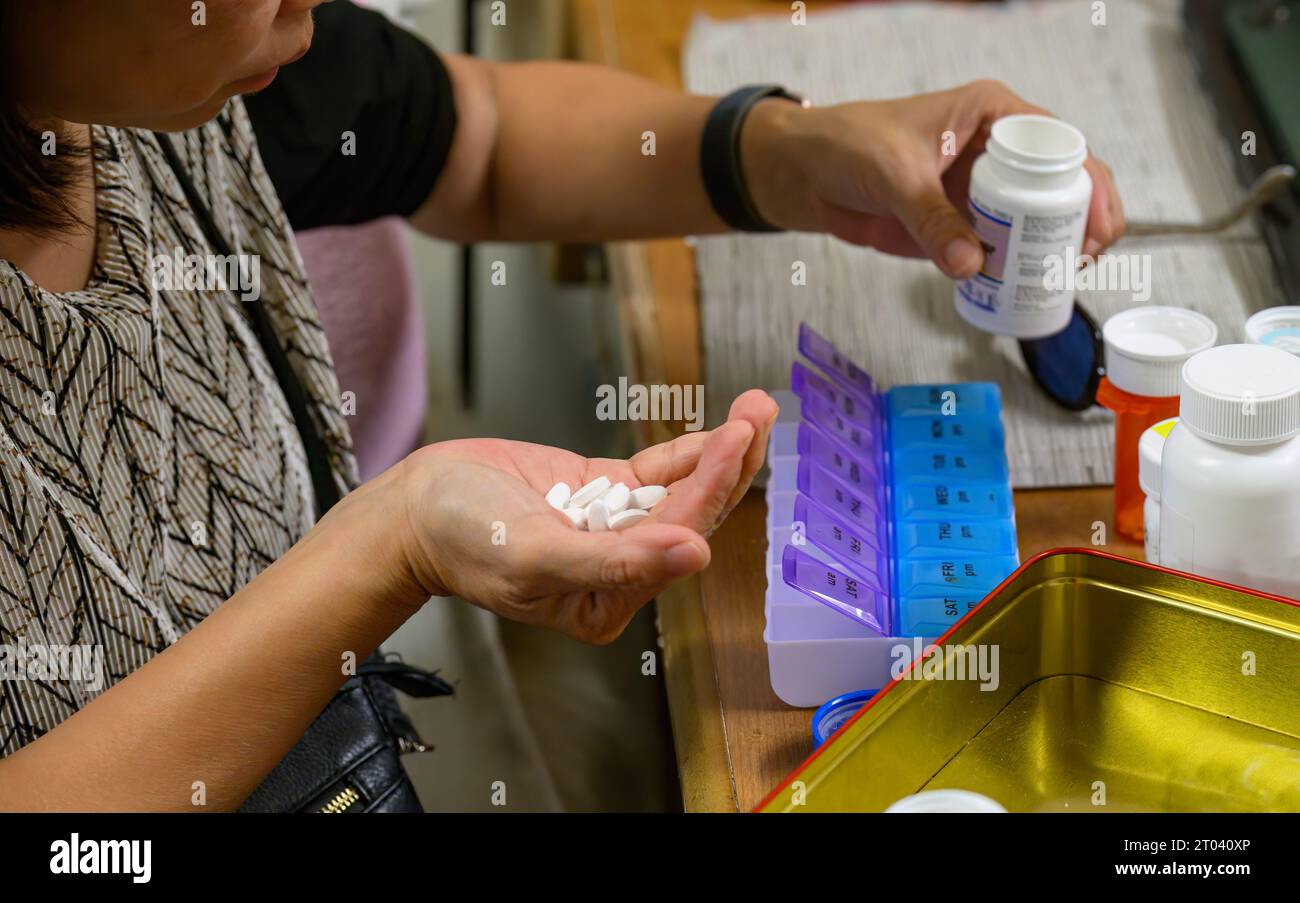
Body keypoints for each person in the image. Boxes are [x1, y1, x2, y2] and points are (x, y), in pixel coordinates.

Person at [0, 0, 1124, 811]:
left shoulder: (170, 82)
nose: (308, 11)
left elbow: (473, 139)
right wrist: (383, 550)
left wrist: (781, 150)